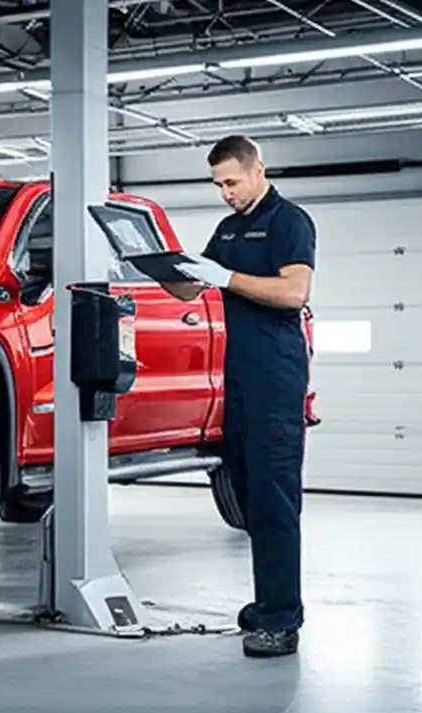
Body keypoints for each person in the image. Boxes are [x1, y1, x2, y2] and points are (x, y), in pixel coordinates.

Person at [161, 135, 316, 659]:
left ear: (257, 171)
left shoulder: (288, 221)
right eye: (218, 185)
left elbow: (293, 292)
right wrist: (152, 264)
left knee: (274, 500)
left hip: (276, 379)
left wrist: (226, 277)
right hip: (239, 382)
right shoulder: (227, 229)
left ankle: (281, 620)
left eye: (231, 182)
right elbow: (189, 288)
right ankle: (268, 602)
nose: (225, 192)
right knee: (248, 495)